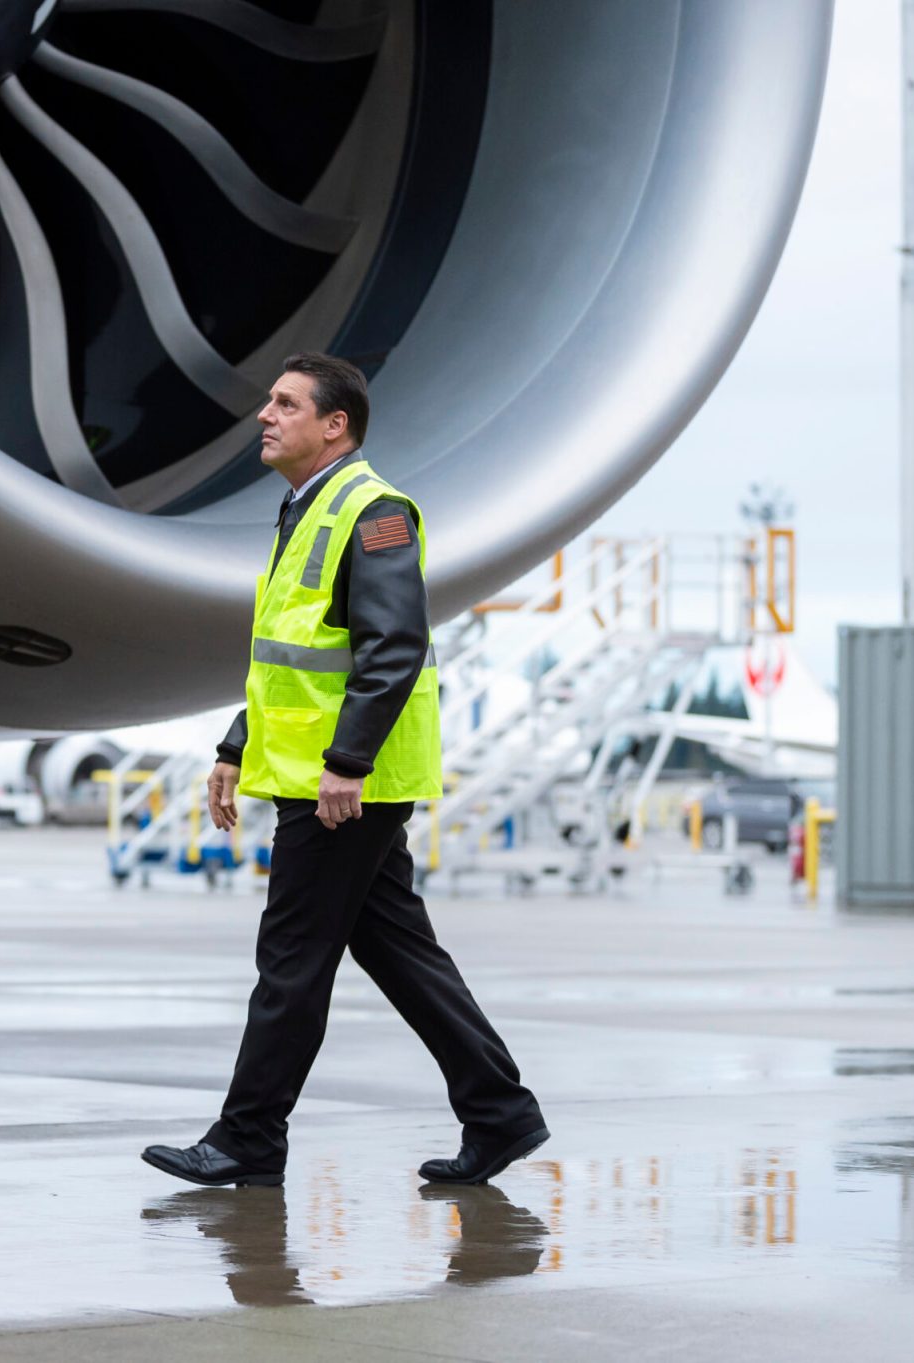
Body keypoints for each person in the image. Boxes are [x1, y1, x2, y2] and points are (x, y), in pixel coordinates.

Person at [142, 353, 547, 1189]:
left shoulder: (374, 513)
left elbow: (391, 647)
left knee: (291, 958)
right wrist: (234, 745)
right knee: (398, 952)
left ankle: (248, 1136)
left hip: (342, 787)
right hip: (323, 775)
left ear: (335, 425)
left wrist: (346, 763)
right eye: (269, 402)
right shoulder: (305, 511)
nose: (264, 415)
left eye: (285, 403)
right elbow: (291, 657)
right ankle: (499, 1111)